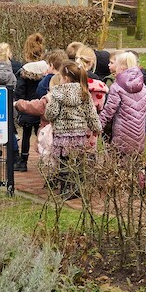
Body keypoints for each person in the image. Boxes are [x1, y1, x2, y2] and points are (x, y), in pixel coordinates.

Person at [43, 61, 103, 198]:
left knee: (64, 161)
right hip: (79, 134)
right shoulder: (84, 93)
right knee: (78, 161)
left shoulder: (58, 93)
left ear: (65, 78)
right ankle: (78, 188)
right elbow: (91, 114)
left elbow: (51, 113)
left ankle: (65, 189)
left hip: (62, 134)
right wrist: (96, 128)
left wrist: (49, 115)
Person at [14, 49, 67, 172]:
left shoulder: (46, 80)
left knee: (32, 137)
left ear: (51, 65)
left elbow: (37, 93)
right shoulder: (64, 78)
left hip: (35, 110)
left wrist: (19, 104)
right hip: (51, 117)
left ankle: (24, 161)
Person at [99, 52, 146, 156]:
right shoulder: (142, 85)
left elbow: (109, 110)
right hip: (139, 133)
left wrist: (98, 125)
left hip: (122, 134)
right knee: (134, 162)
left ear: (121, 68)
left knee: (119, 164)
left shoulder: (117, 87)